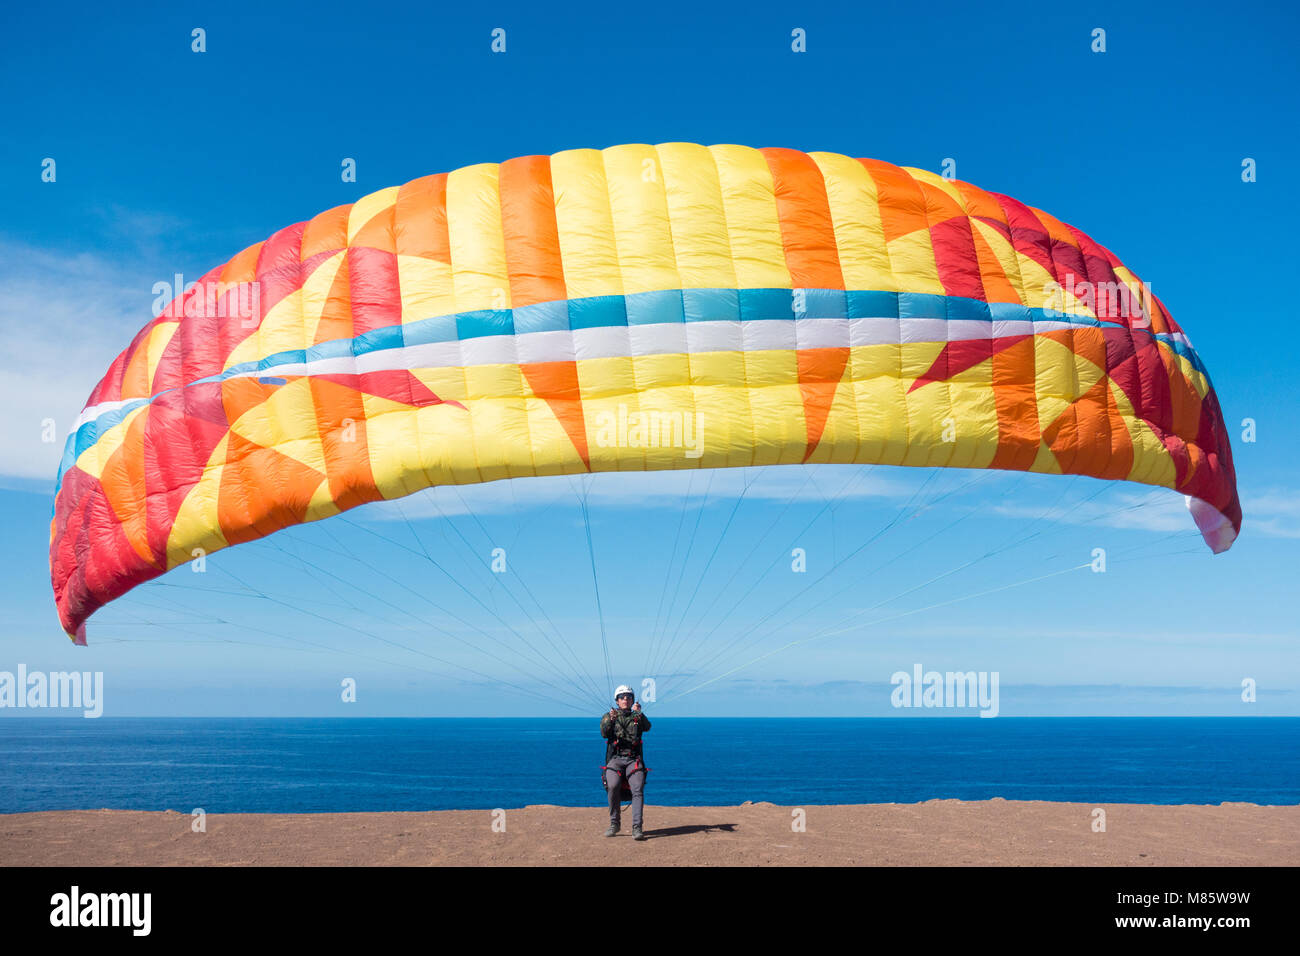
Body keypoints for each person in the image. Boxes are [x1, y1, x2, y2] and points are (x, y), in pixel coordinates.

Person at [601, 685, 651, 840]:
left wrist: (640, 714)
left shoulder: (637, 717)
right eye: (622, 697)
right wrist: (610, 719)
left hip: (633, 759)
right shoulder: (609, 716)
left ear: (632, 700)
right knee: (613, 785)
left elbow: (647, 727)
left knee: (637, 787)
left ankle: (637, 828)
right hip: (615, 759)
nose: (625, 699)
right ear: (617, 701)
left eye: (629, 697)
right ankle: (614, 823)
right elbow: (604, 733)